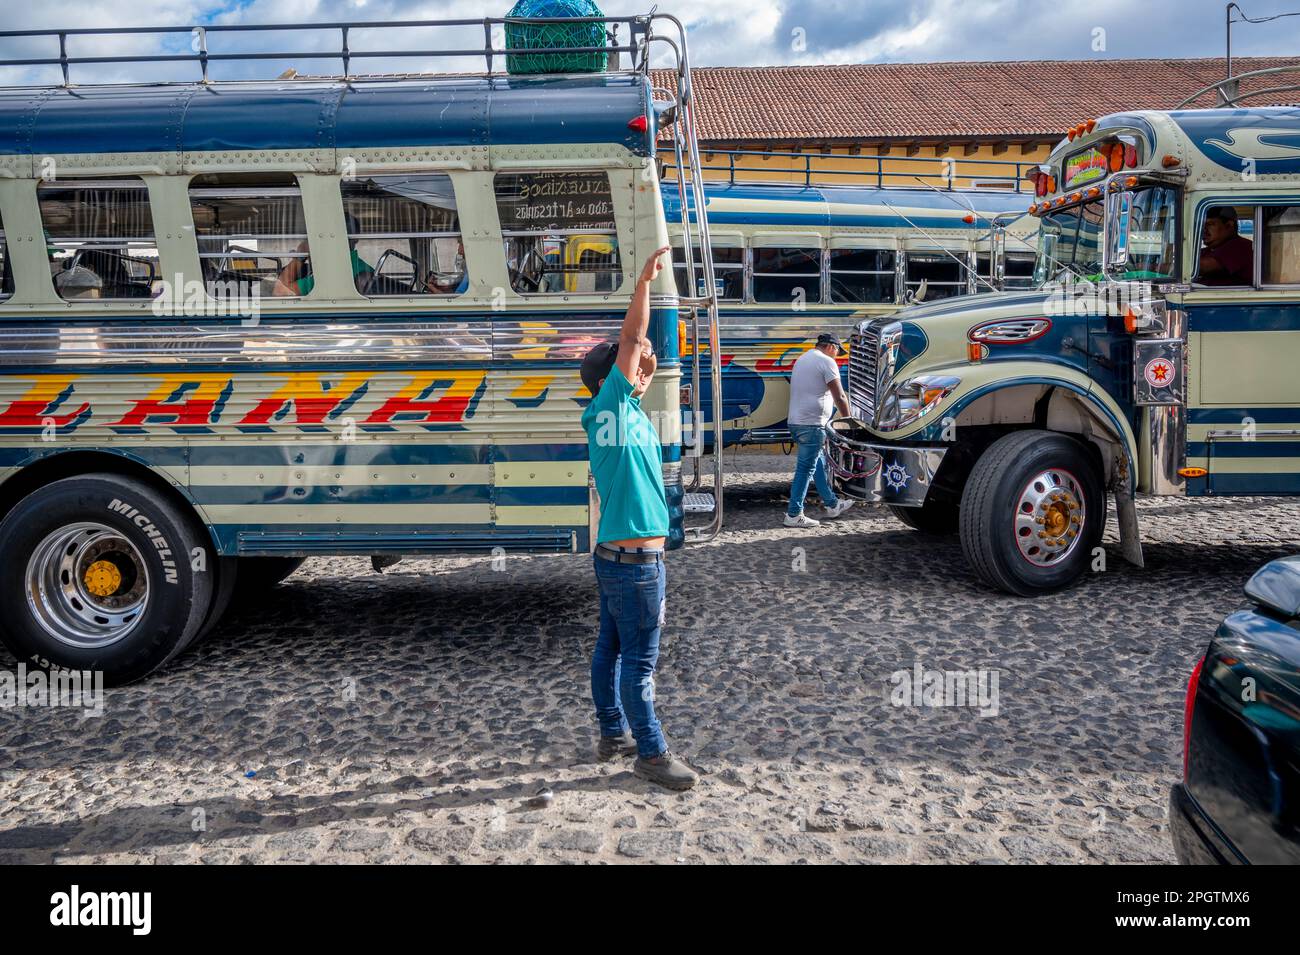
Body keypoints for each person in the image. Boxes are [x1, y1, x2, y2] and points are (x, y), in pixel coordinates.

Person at [579, 245, 697, 791]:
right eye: (629, 365)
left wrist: (647, 366)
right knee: (639, 663)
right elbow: (632, 340)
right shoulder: (610, 406)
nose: (639, 364)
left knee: (611, 648)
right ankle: (650, 751)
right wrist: (644, 285)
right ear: (612, 378)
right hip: (636, 563)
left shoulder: (620, 413)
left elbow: (637, 359)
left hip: (617, 556)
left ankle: (611, 733)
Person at [784, 333, 853, 528]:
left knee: (818, 463)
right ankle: (794, 514)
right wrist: (848, 421)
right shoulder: (826, 362)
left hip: (797, 423)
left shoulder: (803, 359)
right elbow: (839, 395)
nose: (837, 356)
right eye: (839, 352)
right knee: (805, 469)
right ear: (832, 346)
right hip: (812, 425)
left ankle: (832, 504)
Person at [1198, 206, 1253, 286]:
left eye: (1210, 224)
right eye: (1201, 225)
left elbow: (1202, 267)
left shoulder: (1241, 247)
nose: (1203, 230)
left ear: (1229, 225)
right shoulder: (1207, 250)